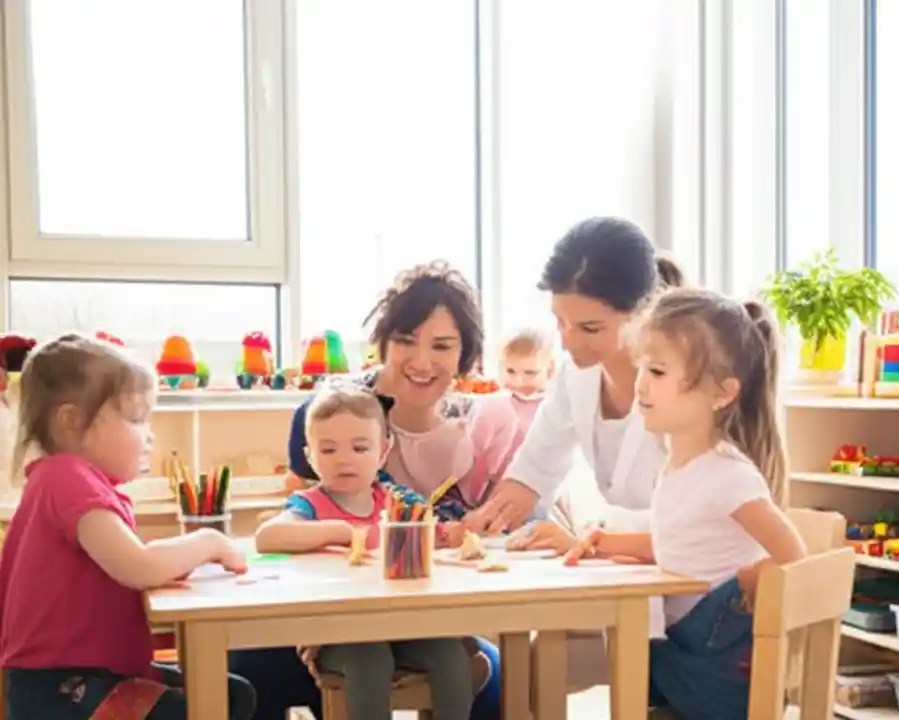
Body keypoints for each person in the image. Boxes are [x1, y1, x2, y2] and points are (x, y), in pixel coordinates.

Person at [231, 261, 507, 720]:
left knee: (488, 676)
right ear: (382, 343)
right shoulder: (332, 411)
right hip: (335, 617)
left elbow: (490, 527)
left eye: (441, 345)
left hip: (430, 615)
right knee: (246, 668)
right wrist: (342, 535)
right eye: (405, 341)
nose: (421, 362)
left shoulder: (481, 425)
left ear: (466, 355)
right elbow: (292, 526)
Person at [564, 289, 807, 720]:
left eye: (657, 371)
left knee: (626, 646)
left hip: (718, 674)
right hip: (691, 655)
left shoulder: (727, 474)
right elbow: (680, 546)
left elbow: (794, 557)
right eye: (642, 367)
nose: (640, 383)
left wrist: (759, 578)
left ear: (722, 394)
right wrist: (608, 543)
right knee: (627, 639)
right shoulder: (679, 464)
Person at [0, 334, 256, 719]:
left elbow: (127, 561)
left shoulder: (71, 481)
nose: (150, 435)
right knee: (206, 705)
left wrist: (178, 558)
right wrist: (209, 540)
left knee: (231, 695)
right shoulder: (68, 478)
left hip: (90, 677)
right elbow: (137, 565)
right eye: (137, 418)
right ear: (71, 422)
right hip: (61, 689)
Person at [256, 384, 473, 720]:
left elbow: (437, 530)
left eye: (359, 448)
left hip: (400, 626)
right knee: (371, 660)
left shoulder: (396, 500)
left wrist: (452, 534)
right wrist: (342, 532)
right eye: (328, 450)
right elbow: (267, 537)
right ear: (310, 456)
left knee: (450, 653)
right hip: (333, 635)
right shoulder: (310, 504)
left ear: (383, 452)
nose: (344, 459)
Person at [466, 216, 684, 549]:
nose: (568, 342)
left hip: (689, 578)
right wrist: (479, 526)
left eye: (590, 328)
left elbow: (693, 525)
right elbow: (534, 469)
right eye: (560, 322)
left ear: (644, 312)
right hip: (628, 569)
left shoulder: (683, 386)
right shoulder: (577, 376)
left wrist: (589, 539)